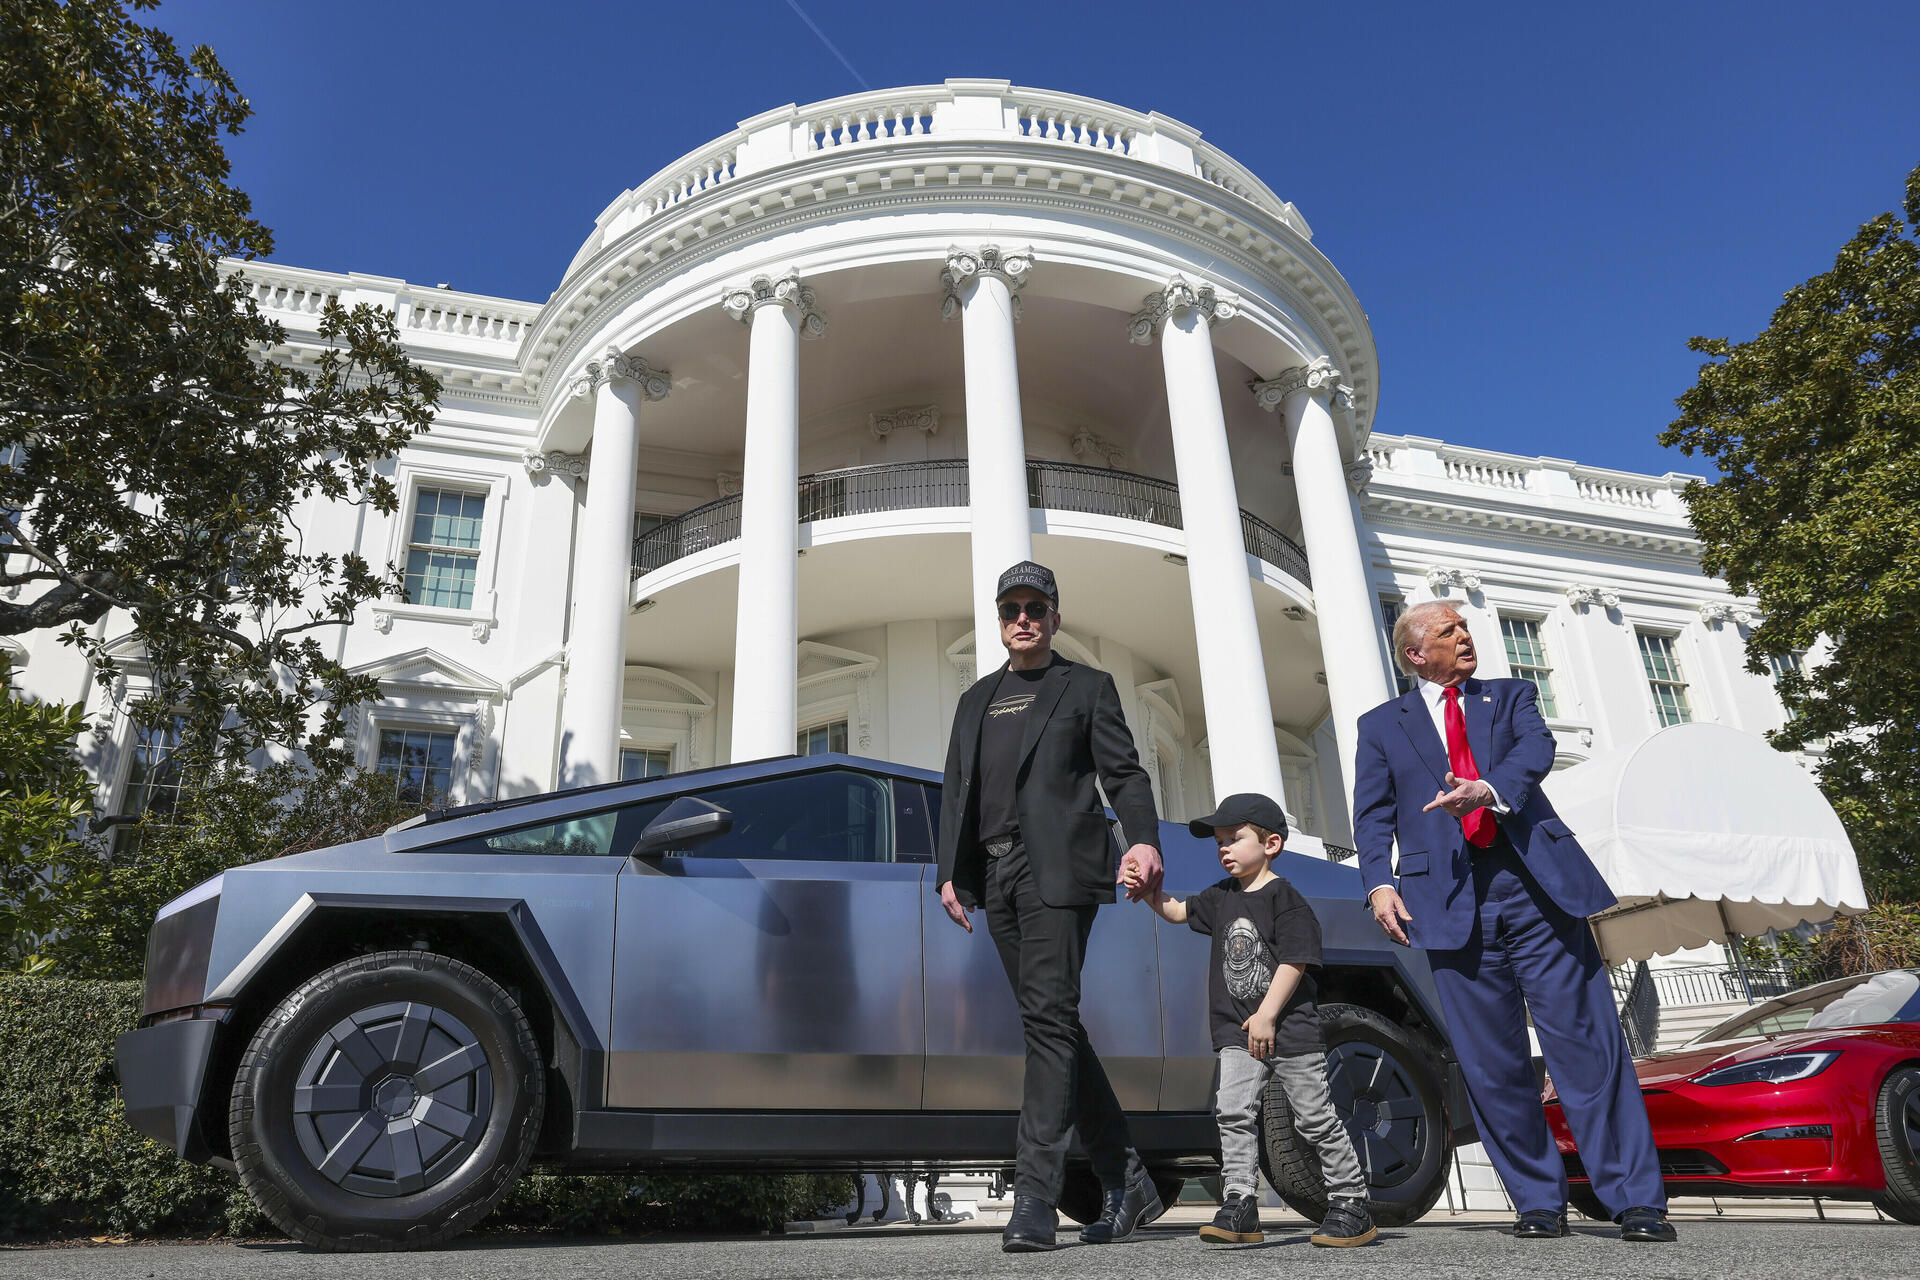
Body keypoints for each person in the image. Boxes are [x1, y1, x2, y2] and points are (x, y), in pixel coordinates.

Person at [1352, 601, 1675, 1243]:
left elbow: (1538, 750)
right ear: (1416, 653)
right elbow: (1372, 812)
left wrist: (1488, 790)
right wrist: (1378, 885)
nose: (1465, 636)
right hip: (1445, 902)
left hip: (1537, 890)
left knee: (1589, 1048)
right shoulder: (1381, 724)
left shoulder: (1510, 695)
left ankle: (1635, 1200)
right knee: (1490, 1063)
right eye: (1449, 631)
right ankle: (1537, 1202)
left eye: (1464, 627)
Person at [935, 560, 1167, 1252]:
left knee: (1046, 1024)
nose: (1024, 618)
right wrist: (950, 871)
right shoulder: (975, 700)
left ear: (1055, 618)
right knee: (1053, 1024)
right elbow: (955, 790)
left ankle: (1033, 1196)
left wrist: (1146, 842)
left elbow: (1124, 774)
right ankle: (1129, 1177)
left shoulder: (1085, 687)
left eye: (1036, 607)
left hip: (1058, 870)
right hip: (996, 874)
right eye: (1012, 609)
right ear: (1000, 621)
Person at [1133, 793, 1377, 1247]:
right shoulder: (1220, 897)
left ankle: (1351, 1202)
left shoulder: (1286, 899)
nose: (1224, 848)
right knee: (1233, 1112)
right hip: (1236, 1031)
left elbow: (1295, 961)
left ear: (1271, 844)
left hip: (1288, 1030)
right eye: (1219, 842)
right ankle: (1240, 1203)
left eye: (1234, 839)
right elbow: (1178, 912)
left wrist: (1266, 1015)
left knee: (1313, 1119)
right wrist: (1150, 892)